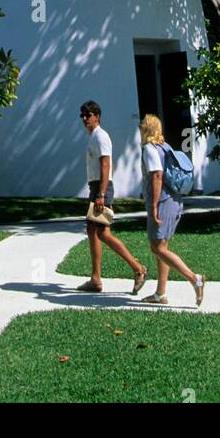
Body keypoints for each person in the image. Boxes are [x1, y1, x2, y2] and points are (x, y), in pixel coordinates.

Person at [77, 100, 147, 295]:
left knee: (103, 233)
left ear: (97, 116)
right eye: (82, 115)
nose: (84, 118)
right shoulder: (92, 137)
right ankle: (96, 279)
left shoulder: (101, 137)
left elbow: (106, 165)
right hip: (96, 187)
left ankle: (138, 269)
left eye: (88, 115)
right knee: (92, 231)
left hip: (102, 188)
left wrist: (101, 194)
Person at [139, 113, 205, 306]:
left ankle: (195, 279)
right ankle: (160, 294)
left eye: (142, 125)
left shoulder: (150, 149)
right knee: (162, 248)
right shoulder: (165, 147)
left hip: (163, 202)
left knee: (157, 247)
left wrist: (153, 205)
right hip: (174, 201)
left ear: (146, 129)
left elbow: (157, 176)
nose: (140, 128)